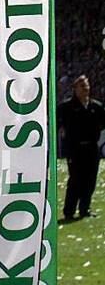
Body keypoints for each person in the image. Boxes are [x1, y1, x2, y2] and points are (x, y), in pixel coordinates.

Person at [57, 74, 105, 221]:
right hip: (75, 149)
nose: (86, 89)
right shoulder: (66, 107)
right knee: (76, 180)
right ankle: (69, 211)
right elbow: (58, 122)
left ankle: (85, 208)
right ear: (75, 89)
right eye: (82, 86)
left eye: (87, 86)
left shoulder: (95, 106)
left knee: (90, 180)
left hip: (91, 148)